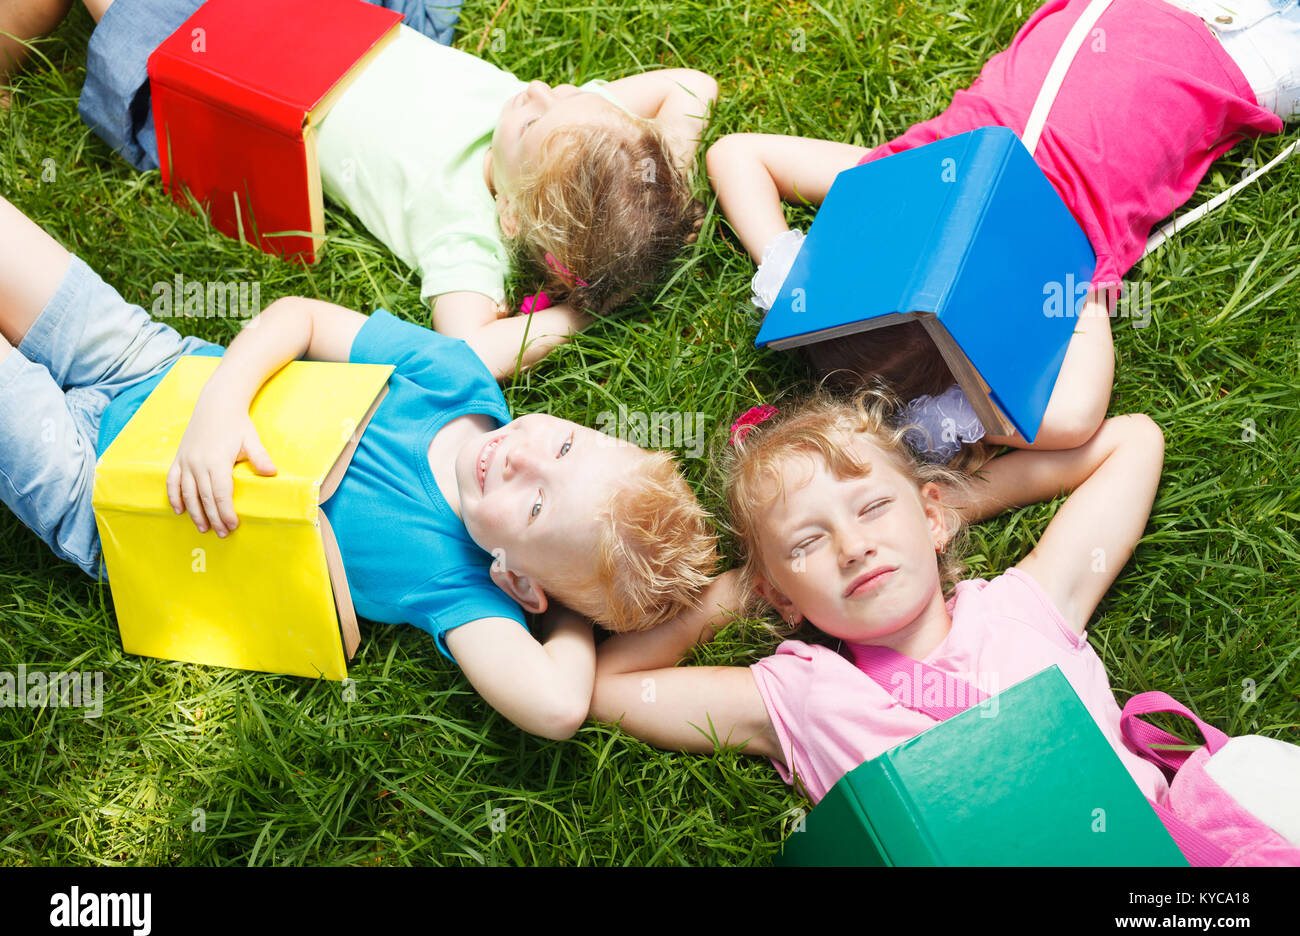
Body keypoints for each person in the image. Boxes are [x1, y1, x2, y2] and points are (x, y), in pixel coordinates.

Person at [0, 193, 718, 739]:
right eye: (565, 446)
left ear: (518, 579)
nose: (524, 457)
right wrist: (221, 405)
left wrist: (563, 611)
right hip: (157, 363)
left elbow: (558, 707)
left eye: (536, 506)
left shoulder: (459, 586)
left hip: (103, 493)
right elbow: (301, 318)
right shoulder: (455, 379)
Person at [705, 0, 1294, 459]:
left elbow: (735, 154)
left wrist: (783, 265)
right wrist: (944, 422)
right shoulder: (1067, 259)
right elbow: (1074, 417)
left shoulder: (910, 172)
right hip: (1247, 63)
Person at [4, 0, 717, 360]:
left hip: (249, 78)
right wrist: (664, 187)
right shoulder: (581, 139)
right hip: (337, 25)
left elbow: (468, 353)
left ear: (513, 222)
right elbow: (691, 83)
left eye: (535, 124)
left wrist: (577, 314)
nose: (533, 89)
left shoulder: (466, 230)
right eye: (562, 89)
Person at [590, 386, 1169, 804]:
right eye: (808, 541)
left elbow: (1133, 443)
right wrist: (755, 586)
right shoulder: (806, 697)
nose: (853, 546)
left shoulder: (1022, 609)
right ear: (779, 597)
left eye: (873, 508)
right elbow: (609, 684)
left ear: (934, 516)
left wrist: (935, 512)